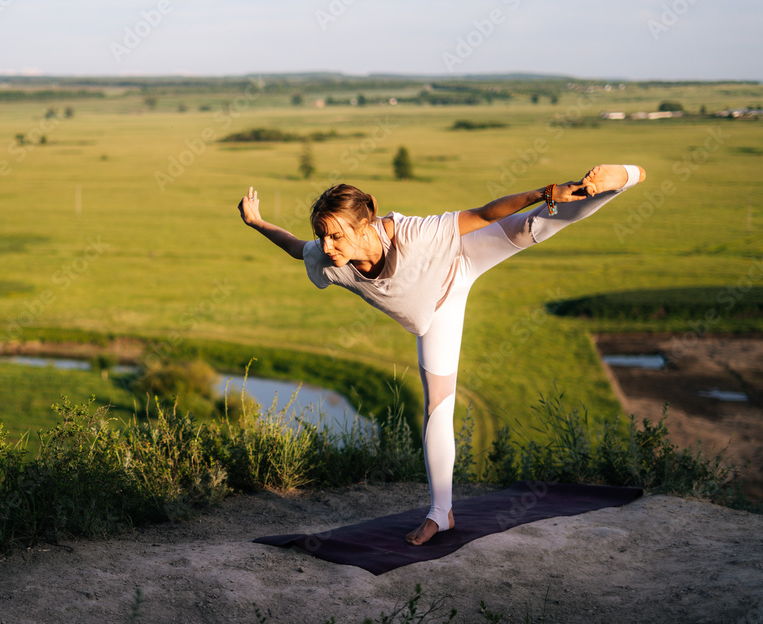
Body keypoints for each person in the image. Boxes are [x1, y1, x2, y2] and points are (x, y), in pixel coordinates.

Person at [237, 165, 645, 545]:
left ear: (365, 226)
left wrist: (546, 192)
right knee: (437, 405)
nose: (326, 246)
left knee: (532, 225)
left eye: (335, 237)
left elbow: (482, 214)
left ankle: (625, 177)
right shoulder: (329, 259)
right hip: (438, 312)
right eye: (322, 236)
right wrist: (257, 223)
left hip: (461, 258)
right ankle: (441, 513)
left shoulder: (414, 234)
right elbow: (295, 247)